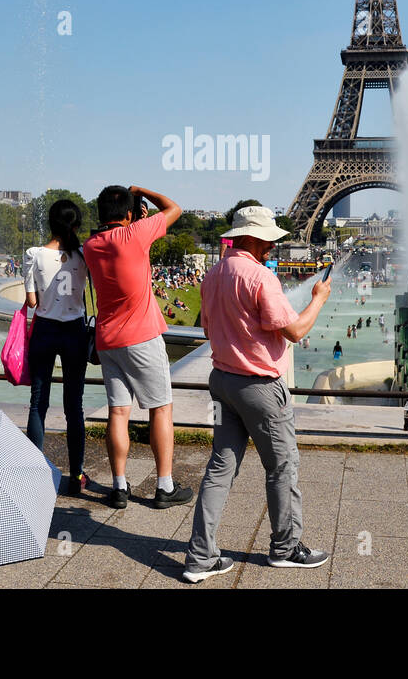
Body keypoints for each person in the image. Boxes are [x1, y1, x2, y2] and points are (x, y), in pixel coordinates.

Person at [183, 206, 332, 582]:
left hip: (222, 381)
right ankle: (285, 547)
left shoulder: (214, 274)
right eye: (267, 238)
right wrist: (318, 298)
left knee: (220, 469)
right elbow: (295, 331)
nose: (271, 245)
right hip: (260, 388)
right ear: (252, 237)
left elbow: (206, 331)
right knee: (282, 467)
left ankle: (200, 556)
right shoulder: (260, 277)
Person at [81, 185, 193, 510]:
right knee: (161, 408)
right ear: (129, 213)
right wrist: (141, 191)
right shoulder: (136, 235)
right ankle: (165, 487)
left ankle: (119, 487)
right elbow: (174, 208)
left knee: (118, 411)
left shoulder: (91, 245)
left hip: (107, 340)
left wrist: (132, 218)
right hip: (141, 337)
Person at [22, 199, 91, 495]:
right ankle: (76, 475)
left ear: (50, 223)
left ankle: (35, 472)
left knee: (39, 402)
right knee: (74, 406)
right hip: (74, 331)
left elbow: (32, 302)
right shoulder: (84, 255)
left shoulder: (33, 254)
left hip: (45, 330)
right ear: (75, 226)